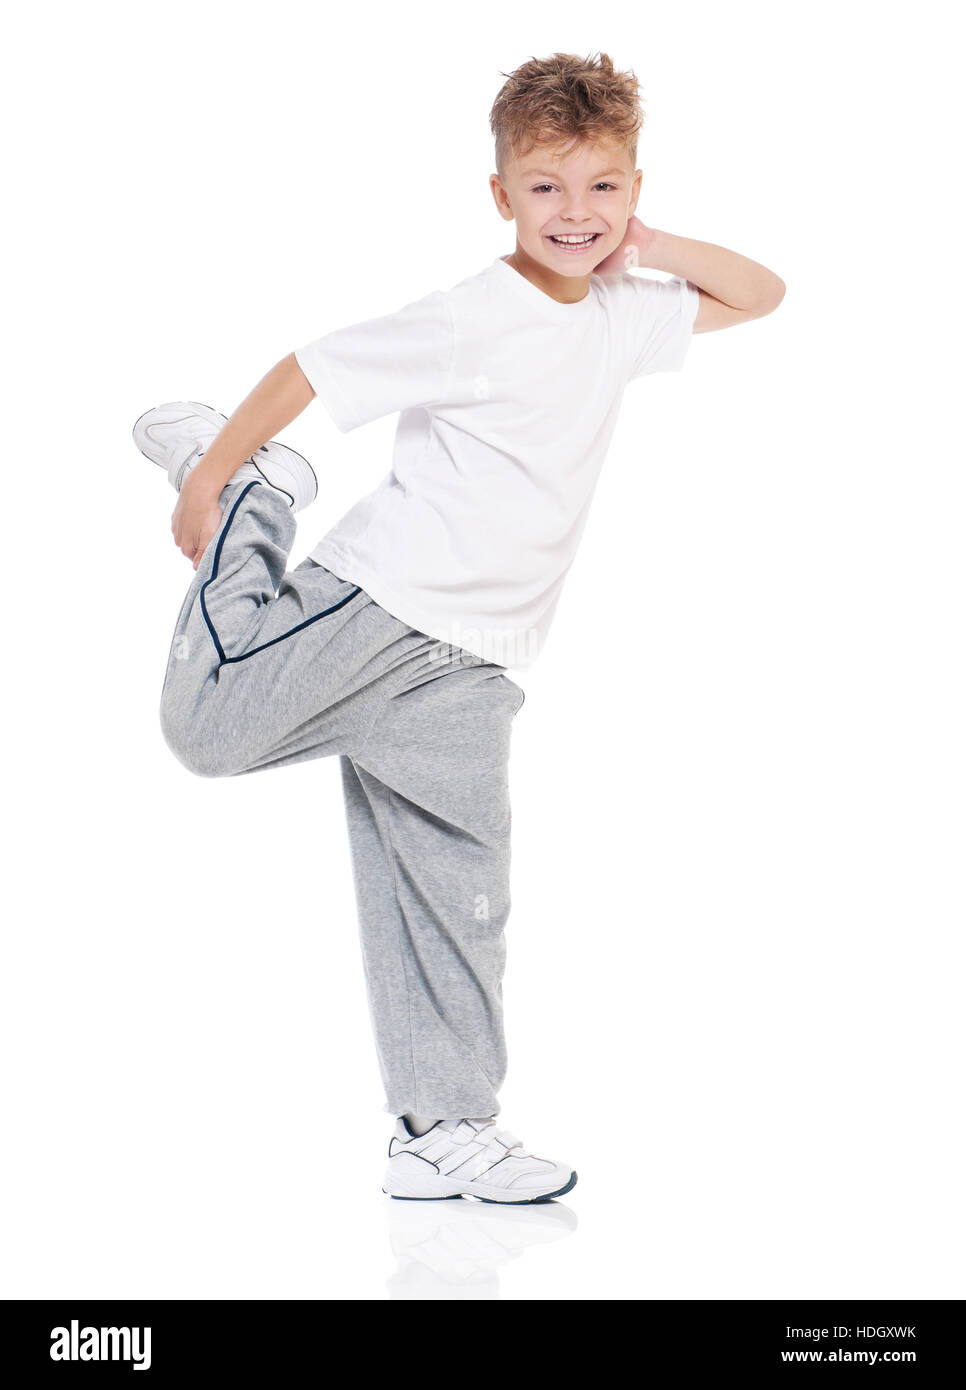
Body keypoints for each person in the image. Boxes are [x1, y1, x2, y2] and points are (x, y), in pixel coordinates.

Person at [131, 50, 784, 1204]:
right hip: (388, 607)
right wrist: (217, 471)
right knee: (204, 730)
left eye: (601, 188)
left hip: (482, 664)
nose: (574, 214)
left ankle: (446, 1129)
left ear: (635, 190)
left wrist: (656, 246)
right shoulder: (470, 319)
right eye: (546, 188)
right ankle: (256, 505)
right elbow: (310, 370)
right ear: (500, 197)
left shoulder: (627, 315)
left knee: (459, 891)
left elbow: (761, 293)